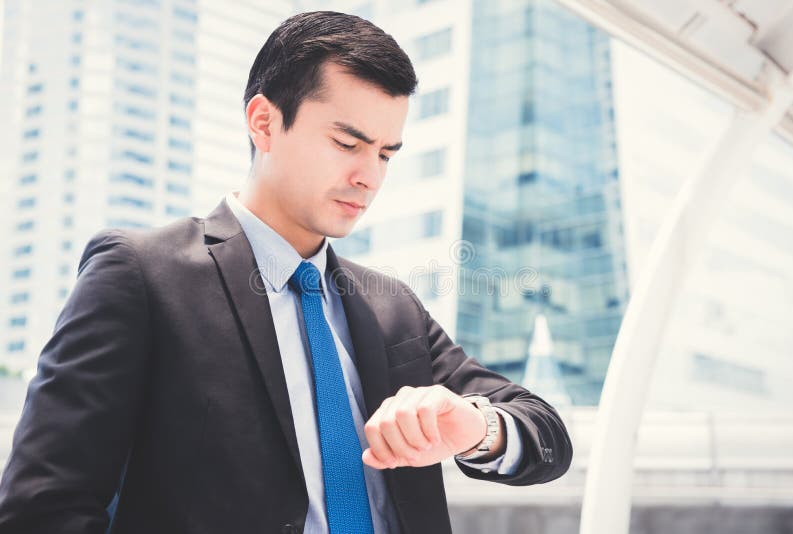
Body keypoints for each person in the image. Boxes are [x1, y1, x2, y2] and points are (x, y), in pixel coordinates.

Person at [0, 10, 572, 534]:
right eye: (347, 143)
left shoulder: (391, 305)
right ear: (264, 122)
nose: (370, 176)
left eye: (385, 154)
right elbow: (43, 506)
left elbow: (545, 432)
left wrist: (476, 427)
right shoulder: (142, 275)